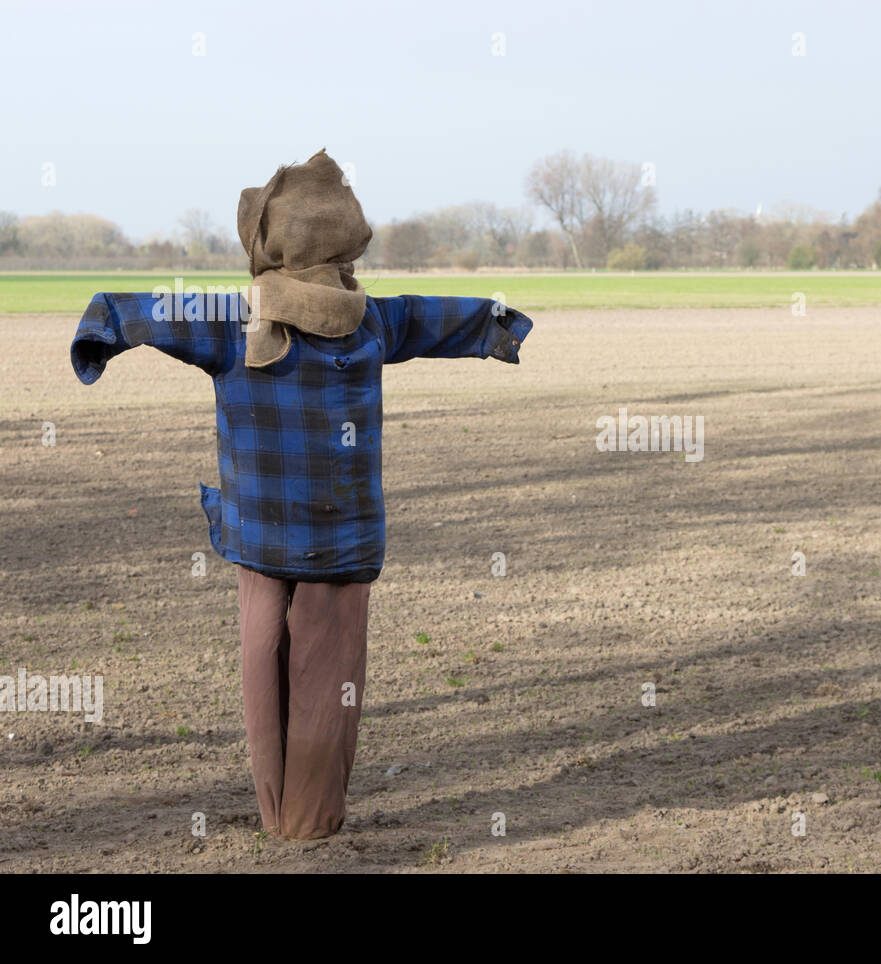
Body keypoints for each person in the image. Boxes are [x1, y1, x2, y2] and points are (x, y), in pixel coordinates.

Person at [70, 149, 533, 839]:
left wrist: (97, 337)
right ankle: (309, 825)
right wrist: (505, 325)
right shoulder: (373, 320)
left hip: (259, 535)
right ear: (345, 241)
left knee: (262, 663)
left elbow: (137, 310)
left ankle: (273, 813)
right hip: (344, 543)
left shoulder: (229, 320)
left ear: (265, 240)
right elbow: (455, 319)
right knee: (330, 683)